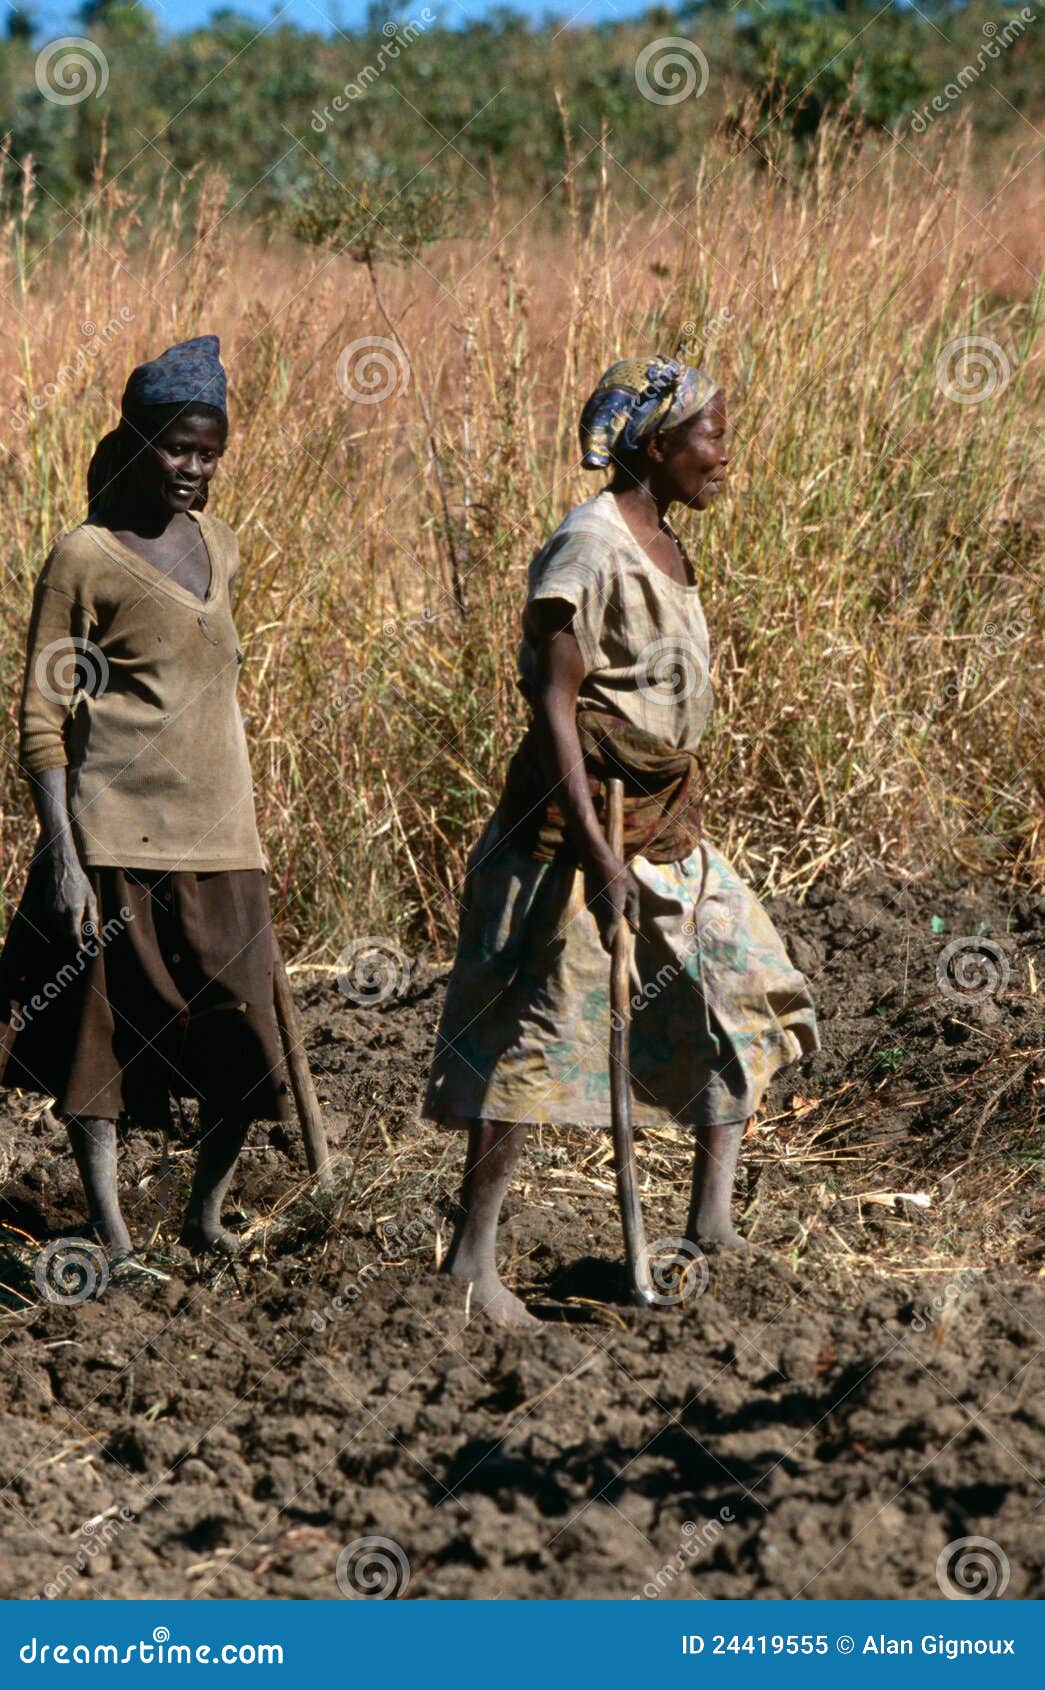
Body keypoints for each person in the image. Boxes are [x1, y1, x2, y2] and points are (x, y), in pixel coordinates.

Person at [423, 354, 821, 1326]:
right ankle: (472, 1264)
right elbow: (553, 703)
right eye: (710, 435)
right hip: (578, 828)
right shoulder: (588, 547)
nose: (723, 454)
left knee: (743, 990)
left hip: (664, 819)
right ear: (655, 444)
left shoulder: (667, 540)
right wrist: (601, 864)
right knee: (530, 1043)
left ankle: (710, 1225)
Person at [0, 335, 291, 1262]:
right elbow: (42, 716)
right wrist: (63, 855)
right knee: (103, 1040)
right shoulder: (83, 557)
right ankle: (112, 1228)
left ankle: (204, 1213)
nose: (193, 470)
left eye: (209, 453)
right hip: (116, 838)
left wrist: (250, 831)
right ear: (137, 440)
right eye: (176, 448)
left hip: (223, 838)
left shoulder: (224, 545)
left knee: (243, 1039)